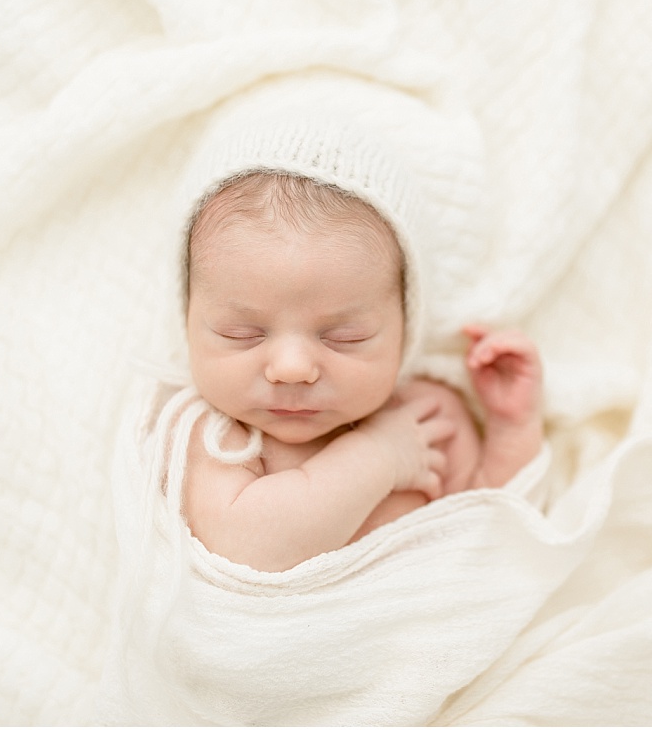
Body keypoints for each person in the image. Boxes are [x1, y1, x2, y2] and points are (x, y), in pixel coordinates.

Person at [177, 170, 544, 573]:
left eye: (344, 337)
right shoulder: (215, 434)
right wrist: (380, 456)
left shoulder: (425, 418)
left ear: (404, 329)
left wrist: (511, 428)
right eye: (241, 334)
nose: (293, 368)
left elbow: (497, 534)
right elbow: (244, 548)